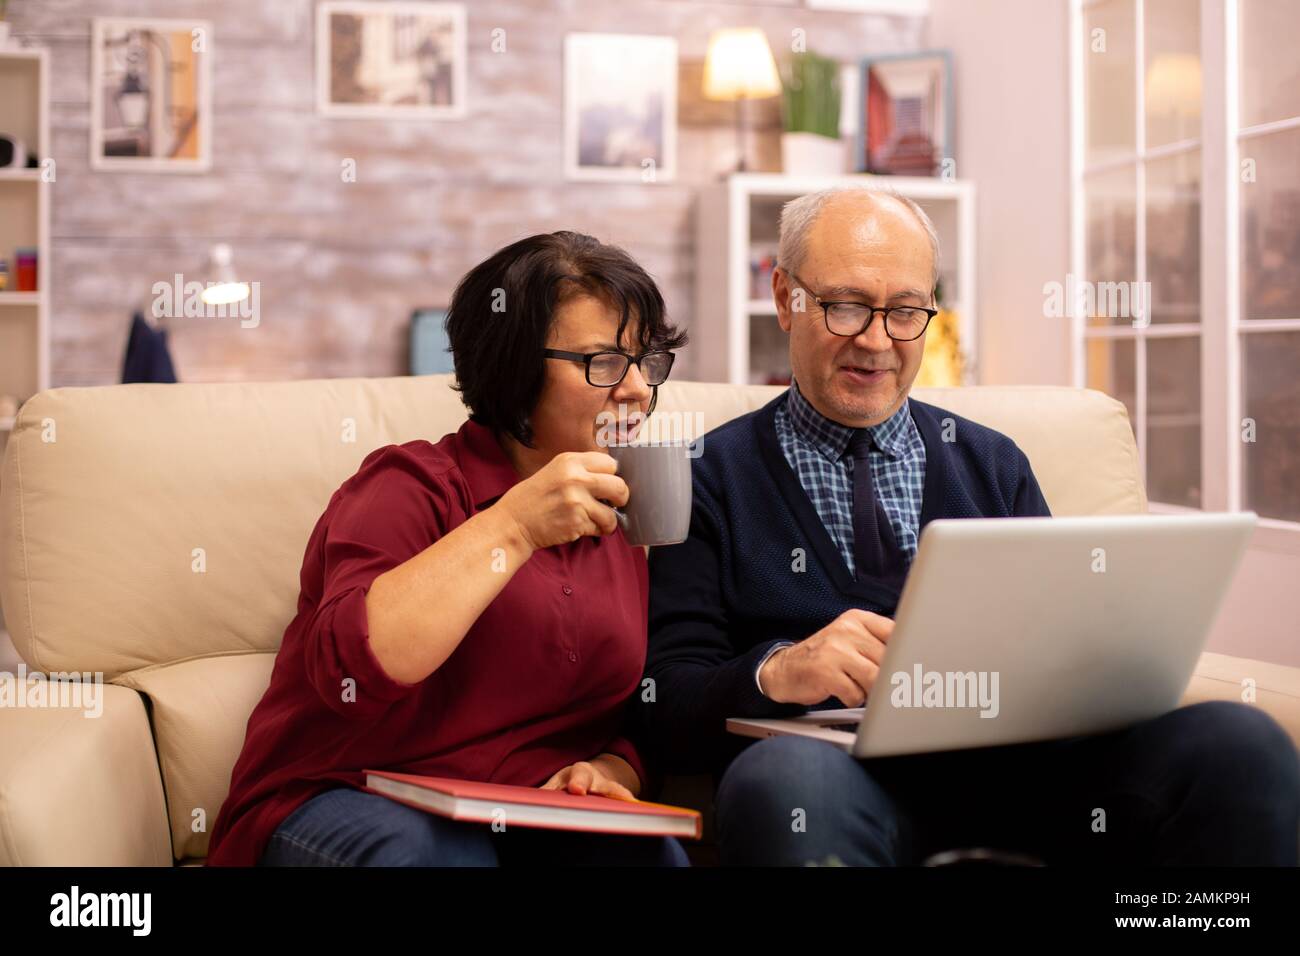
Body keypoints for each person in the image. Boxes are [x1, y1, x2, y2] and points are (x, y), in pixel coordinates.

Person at [635, 186, 1300, 866]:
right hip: (841, 788)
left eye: (905, 311)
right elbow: (664, 700)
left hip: (1032, 780)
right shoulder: (707, 475)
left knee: (1240, 745)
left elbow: (1064, 641)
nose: (877, 341)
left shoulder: (993, 462)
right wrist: (778, 671)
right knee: (784, 782)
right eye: (845, 306)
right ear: (785, 298)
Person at [207, 231, 689, 866]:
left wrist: (612, 768)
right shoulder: (408, 488)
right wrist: (514, 526)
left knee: (649, 858)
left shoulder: (624, 514)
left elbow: (637, 704)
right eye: (602, 362)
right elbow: (353, 670)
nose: (635, 390)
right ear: (515, 367)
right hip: (350, 795)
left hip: (518, 815)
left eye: (646, 360)